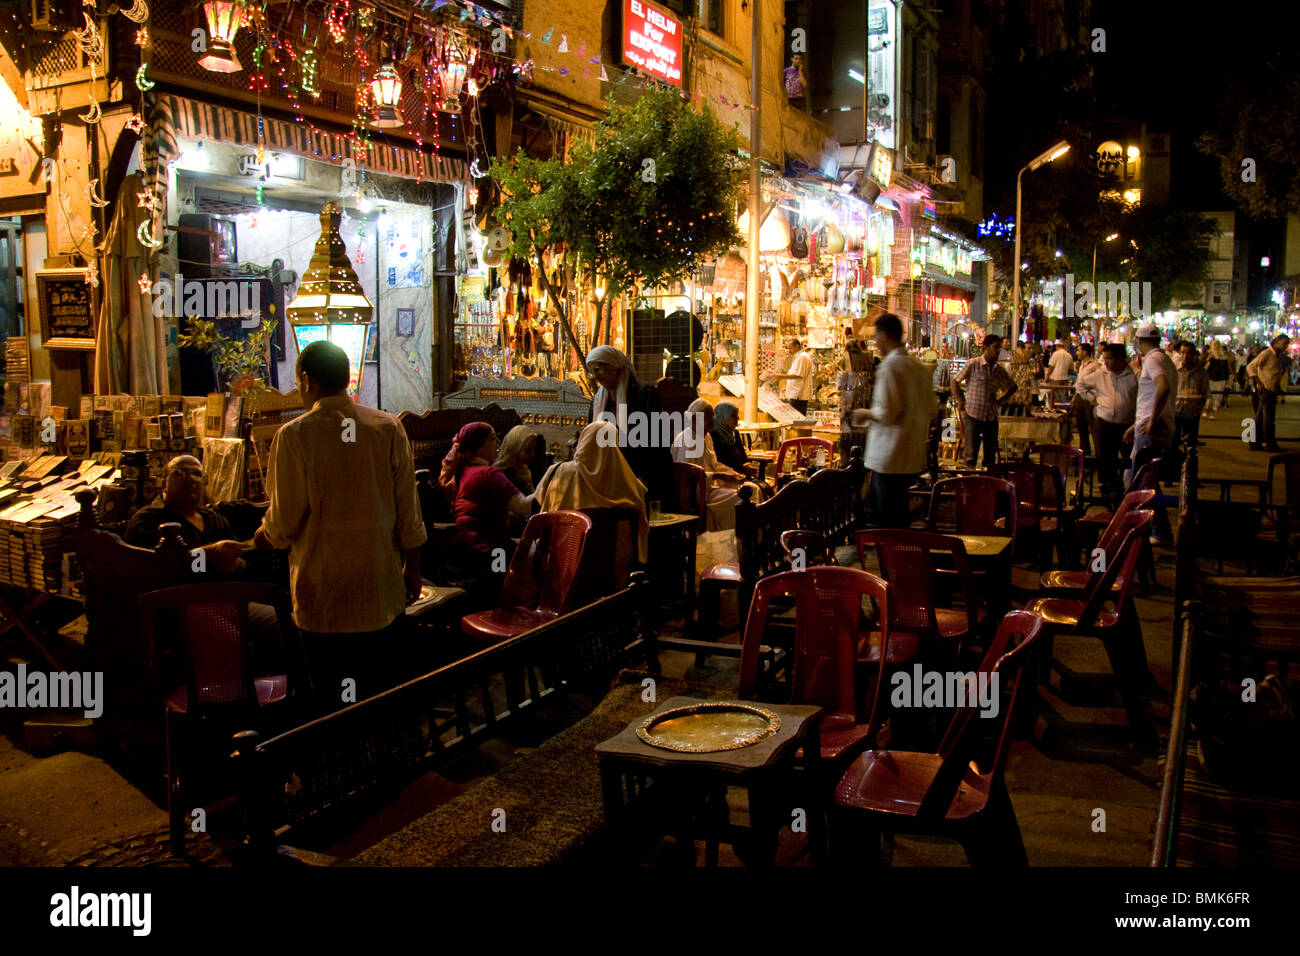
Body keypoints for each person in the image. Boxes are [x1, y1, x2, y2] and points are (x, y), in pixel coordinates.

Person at [254, 341, 427, 705]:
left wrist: (265, 535)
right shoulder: (386, 427)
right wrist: (413, 567)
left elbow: (284, 522)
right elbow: (408, 511)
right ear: (347, 378)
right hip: (379, 588)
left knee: (331, 697)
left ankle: (337, 758)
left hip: (324, 594)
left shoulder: (294, 436)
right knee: (380, 692)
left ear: (306, 381)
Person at [852, 312, 936, 528]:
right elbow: (930, 408)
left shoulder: (891, 366)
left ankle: (894, 557)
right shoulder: (919, 368)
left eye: (876, 336)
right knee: (891, 513)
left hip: (890, 457)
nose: (875, 341)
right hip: (910, 454)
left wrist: (865, 414)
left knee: (887, 518)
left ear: (885, 335)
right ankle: (894, 555)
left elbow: (888, 412)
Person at [534, 420, 648, 562]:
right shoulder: (631, 485)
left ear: (584, 440)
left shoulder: (558, 473)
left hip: (564, 569)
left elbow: (538, 510)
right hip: (614, 574)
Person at [586, 344, 678, 512]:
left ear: (614, 367)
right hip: (611, 476)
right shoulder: (598, 402)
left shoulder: (645, 394)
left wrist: (642, 478)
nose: (596, 376)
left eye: (599, 369)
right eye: (592, 371)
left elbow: (656, 442)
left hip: (646, 473)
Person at [126, 454, 245, 572]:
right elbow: (156, 569)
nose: (190, 478)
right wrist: (207, 555)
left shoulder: (214, 518)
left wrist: (237, 564)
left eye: (197, 474)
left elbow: (241, 559)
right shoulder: (146, 521)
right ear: (164, 485)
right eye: (180, 472)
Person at [444, 422, 535, 573]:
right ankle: (503, 590)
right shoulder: (488, 474)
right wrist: (552, 480)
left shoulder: (466, 469)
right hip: (488, 549)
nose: (498, 443)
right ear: (480, 445)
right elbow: (524, 507)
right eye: (492, 440)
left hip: (466, 545)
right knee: (532, 559)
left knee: (529, 550)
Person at [1125, 322, 1178, 543]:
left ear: (1139, 341)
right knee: (1142, 478)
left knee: (1142, 480)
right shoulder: (1165, 359)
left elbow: (1162, 387)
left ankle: (1155, 529)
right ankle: (1153, 527)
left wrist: (1151, 420)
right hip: (1151, 424)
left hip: (1153, 427)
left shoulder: (1153, 360)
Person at [671, 399, 754, 531]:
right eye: (708, 416)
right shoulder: (688, 439)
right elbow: (689, 476)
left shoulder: (706, 436)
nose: (713, 420)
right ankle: (736, 540)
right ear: (694, 419)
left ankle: (751, 539)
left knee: (751, 488)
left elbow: (714, 464)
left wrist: (733, 473)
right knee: (738, 499)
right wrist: (719, 476)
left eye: (712, 415)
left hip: (710, 486)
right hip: (695, 494)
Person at [1076, 343, 1138, 499]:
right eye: (1105, 359)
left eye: (1109, 359)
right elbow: (1080, 385)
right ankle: (1108, 488)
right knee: (1105, 457)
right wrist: (1093, 398)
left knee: (1128, 458)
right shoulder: (1101, 374)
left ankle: (1127, 489)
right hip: (1104, 422)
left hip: (1127, 424)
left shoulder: (1134, 375)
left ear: (1120, 359)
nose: (1106, 362)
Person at [950, 333, 1016, 468]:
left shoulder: (999, 370)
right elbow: (955, 382)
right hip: (973, 415)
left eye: (999, 348)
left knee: (990, 457)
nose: (998, 351)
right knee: (970, 456)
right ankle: (969, 484)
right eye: (995, 347)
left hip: (991, 417)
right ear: (985, 347)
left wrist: (999, 401)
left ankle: (988, 484)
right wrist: (961, 401)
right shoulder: (973, 364)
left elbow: (1013, 387)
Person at [1248, 333, 1291, 452]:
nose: (1285, 347)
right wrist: (1259, 382)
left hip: (1270, 389)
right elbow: (1251, 367)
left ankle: (1255, 441)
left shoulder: (1276, 355)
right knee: (1268, 418)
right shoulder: (1267, 353)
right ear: (1276, 342)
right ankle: (1268, 442)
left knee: (1261, 416)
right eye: (1284, 344)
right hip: (1266, 389)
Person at [838, 330, 876, 462]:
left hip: (852, 416)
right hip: (862, 418)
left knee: (850, 451)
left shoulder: (845, 364)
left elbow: (840, 387)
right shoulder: (870, 362)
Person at [768, 338, 815, 415]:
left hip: (799, 395)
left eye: (790, 348)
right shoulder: (798, 357)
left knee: (797, 418)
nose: (789, 351)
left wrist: (781, 376)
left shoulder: (803, 357)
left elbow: (799, 375)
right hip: (795, 394)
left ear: (797, 346)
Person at [1175, 343, 1210, 447]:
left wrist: (1201, 405)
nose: (1186, 356)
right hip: (1177, 409)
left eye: (1189, 353)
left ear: (1194, 354)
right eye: (1183, 353)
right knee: (1174, 439)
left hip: (1193, 409)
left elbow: (1205, 390)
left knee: (1191, 441)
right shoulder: (1175, 370)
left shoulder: (1201, 372)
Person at [711, 401, 755, 477]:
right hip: (725, 477)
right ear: (723, 417)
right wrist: (742, 468)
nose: (737, 418)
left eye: (737, 415)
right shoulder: (713, 436)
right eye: (733, 416)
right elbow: (719, 463)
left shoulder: (735, 433)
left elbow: (743, 456)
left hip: (740, 475)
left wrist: (746, 464)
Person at [494, 425, 541, 495]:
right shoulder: (500, 477)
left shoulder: (523, 470)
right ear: (514, 449)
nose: (533, 455)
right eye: (528, 450)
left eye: (534, 449)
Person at [1070, 343, 1099, 455]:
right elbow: (1079, 384)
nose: (1077, 352)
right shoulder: (1082, 365)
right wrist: (1074, 397)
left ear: (1085, 352)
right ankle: (1084, 451)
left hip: (1090, 398)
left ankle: (1099, 453)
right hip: (1080, 398)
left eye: (1079, 350)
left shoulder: (1095, 365)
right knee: (1081, 425)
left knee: (1092, 426)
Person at [1205, 340, 1232, 418]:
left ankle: (1213, 412)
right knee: (1210, 395)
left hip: (1221, 378)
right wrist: (1208, 359)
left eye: (1217, 344)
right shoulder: (1209, 354)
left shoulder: (1223, 356)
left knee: (1218, 396)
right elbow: (1204, 366)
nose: (1216, 346)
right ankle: (1207, 410)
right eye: (1215, 344)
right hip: (1211, 378)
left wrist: (1229, 379)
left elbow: (1226, 369)